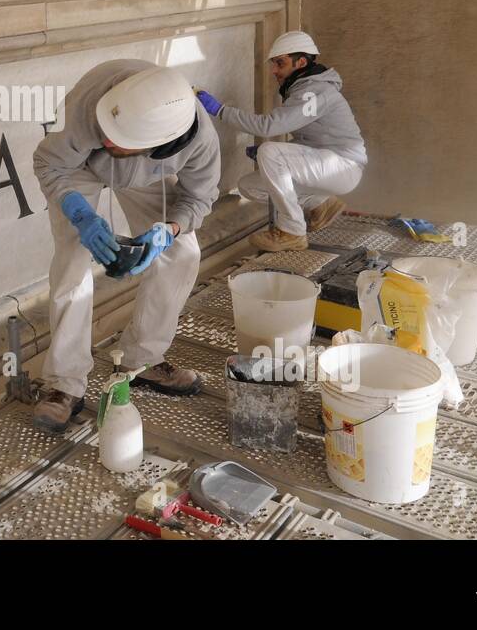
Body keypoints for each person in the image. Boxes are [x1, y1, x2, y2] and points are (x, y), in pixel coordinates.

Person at [30, 60, 221, 434]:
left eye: (118, 139)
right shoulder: (93, 110)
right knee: (72, 264)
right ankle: (64, 385)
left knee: (183, 252)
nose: (107, 139)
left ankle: (143, 358)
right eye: (107, 132)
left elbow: (201, 197)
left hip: (146, 172)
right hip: (77, 170)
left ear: (161, 143)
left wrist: (169, 228)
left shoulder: (201, 140)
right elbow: (50, 163)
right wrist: (79, 213)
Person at [196, 31, 366, 253]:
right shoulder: (303, 89)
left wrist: (220, 110)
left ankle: (292, 231)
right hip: (328, 166)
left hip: (345, 166)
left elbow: (268, 127)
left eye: (280, 63)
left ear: (301, 62)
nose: (274, 70)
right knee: (249, 187)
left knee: (270, 152)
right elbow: (311, 138)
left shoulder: (315, 91)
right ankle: (320, 203)